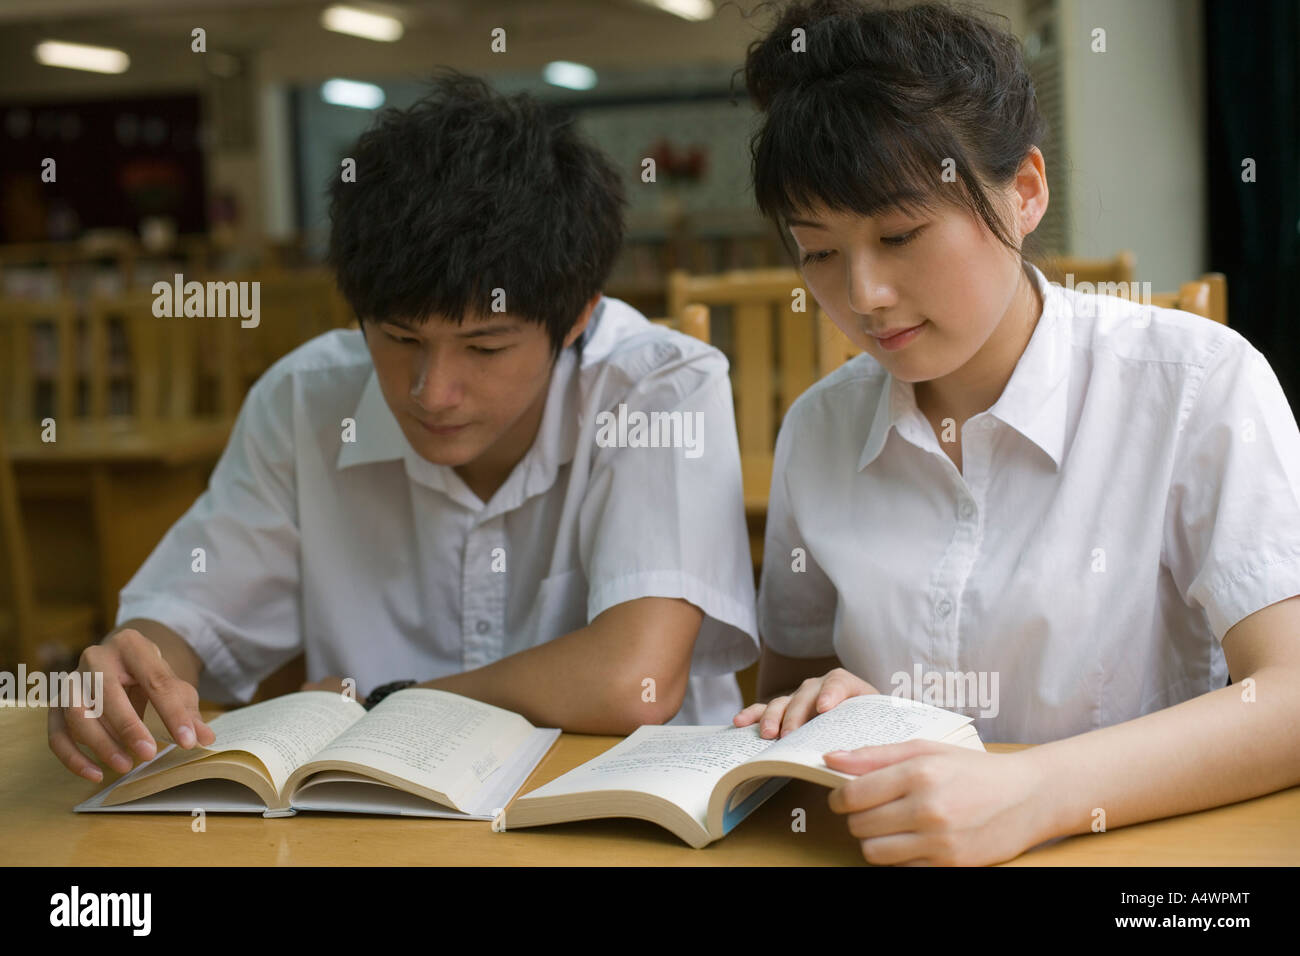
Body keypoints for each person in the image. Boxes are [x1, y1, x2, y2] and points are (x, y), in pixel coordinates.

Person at [48, 71, 758, 783]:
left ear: (578, 319)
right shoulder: (305, 402)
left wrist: (377, 706)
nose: (432, 392)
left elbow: (629, 680)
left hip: (618, 817)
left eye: (484, 347)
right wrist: (133, 671)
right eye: (398, 338)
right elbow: (187, 618)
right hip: (372, 826)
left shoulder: (662, 387)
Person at [733, 0, 1300, 865]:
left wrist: (1033, 793)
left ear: (1025, 191)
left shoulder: (1194, 384)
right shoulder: (820, 428)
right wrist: (819, 705)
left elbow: (1291, 697)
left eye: (900, 235)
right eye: (818, 251)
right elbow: (787, 697)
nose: (864, 293)